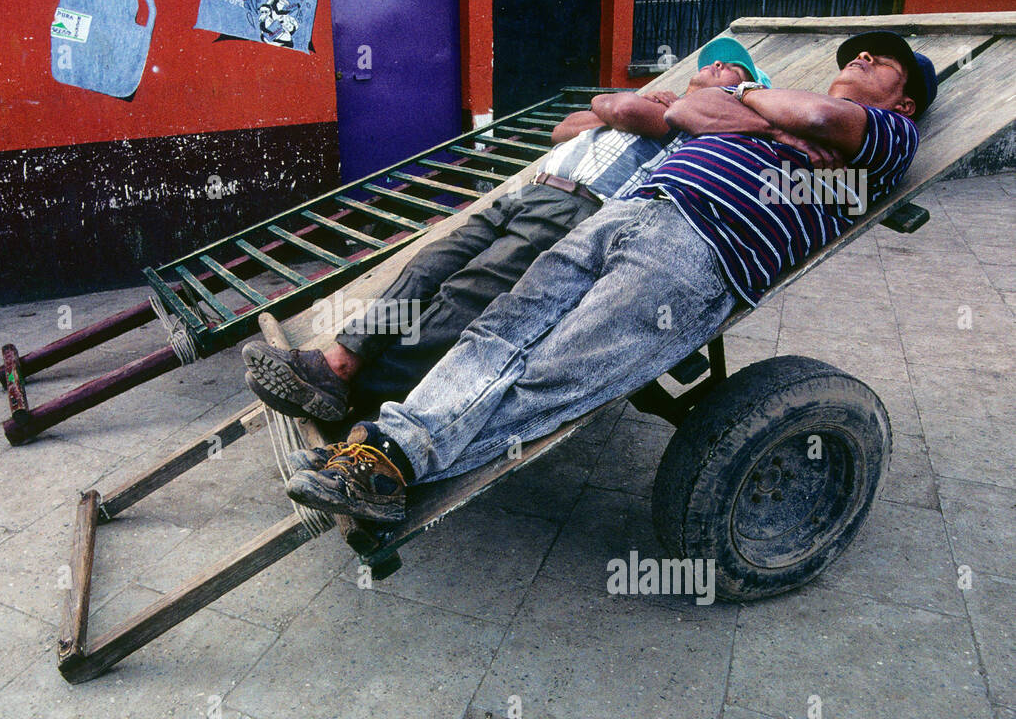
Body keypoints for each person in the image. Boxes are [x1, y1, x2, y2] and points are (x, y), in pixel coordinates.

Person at [283, 31, 934, 523]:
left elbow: (816, 120)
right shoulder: (782, 108)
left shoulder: (888, 136)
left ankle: (390, 460)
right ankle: (379, 451)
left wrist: (744, 107)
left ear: (902, 101)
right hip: (630, 210)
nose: (862, 61)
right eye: (858, 55)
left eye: (881, 63)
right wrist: (756, 107)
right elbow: (688, 115)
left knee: (558, 371)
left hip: (703, 250)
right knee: (498, 330)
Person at [243, 38, 771, 426]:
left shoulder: (710, 115)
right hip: (533, 191)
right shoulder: (661, 105)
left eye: (733, 68)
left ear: (746, 89)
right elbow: (563, 127)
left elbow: (615, 107)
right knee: (428, 266)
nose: (719, 64)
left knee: (469, 294)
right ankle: (338, 363)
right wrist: (613, 111)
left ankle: (366, 398)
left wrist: (618, 109)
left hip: (580, 206)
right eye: (714, 60)